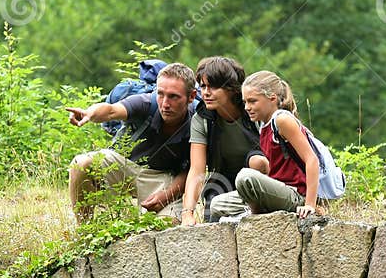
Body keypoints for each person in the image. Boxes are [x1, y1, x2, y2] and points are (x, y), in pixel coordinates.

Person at [66, 63, 198, 223]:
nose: (165, 104)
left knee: (169, 225)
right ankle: (84, 230)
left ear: (191, 97)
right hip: (122, 163)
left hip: (161, 177)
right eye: (161, 94)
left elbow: (193, 170)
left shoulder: (198, 121)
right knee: (81, 163)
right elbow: (111, 110)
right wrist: (90, 113)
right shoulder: (146, 103)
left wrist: (166, 196)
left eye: (173, 96)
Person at [209, 70, 320, 220]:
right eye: (245, 102)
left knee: (245, 177)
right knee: (217, 204)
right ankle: (254, 213)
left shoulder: (282, 120)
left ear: (272, 98)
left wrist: (310, 205)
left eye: (253, 101)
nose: (247, 107)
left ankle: (254, 216)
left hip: (296, 195)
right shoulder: (263, 125)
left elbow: (312, 160)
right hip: (276, 192)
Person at [179, 57, 260, 226]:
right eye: (202, 86)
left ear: (232, 89)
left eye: (214, 86)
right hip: (224, 181)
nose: (206, 93)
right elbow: (197, 169)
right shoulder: (202, 119)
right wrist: (188, 213)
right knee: (213, 203)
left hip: (261, 176)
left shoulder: (253, 111)